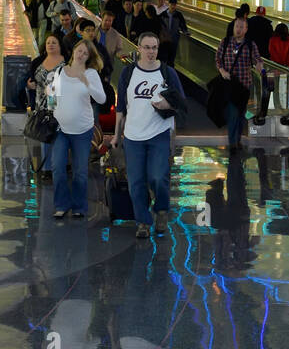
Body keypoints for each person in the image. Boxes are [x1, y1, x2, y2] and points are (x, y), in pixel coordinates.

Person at [112, 31, 186, 238]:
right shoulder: (128, 73)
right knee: (136, 182)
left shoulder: (167, 73)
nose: (151, 52)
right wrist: (117, 135)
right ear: (139, 49)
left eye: (154, 48)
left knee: (157, 177)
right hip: (133, 136)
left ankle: (161, 210)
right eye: (147, 47)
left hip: (159, 134)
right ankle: (143, 222)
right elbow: (121, 108)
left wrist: (167, 104)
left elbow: (181, 102)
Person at [49, 38, 106, 219]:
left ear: (89, 57)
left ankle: (79, 207)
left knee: (80, 171)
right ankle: (61, 204)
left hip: (82, 130)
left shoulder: (91, 74)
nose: (81, 55)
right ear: (73, 51)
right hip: (60, 129)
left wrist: (87, 83)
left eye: (85, 53)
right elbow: (52, 95)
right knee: (57, 167)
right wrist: (52, 111)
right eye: (79, 50)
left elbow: (101, 99)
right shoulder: (60, 71)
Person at [215, 15, 263, 152]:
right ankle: (233, 142)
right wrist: (222, 70)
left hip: (244, 85)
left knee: (241, 114)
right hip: (230, 85)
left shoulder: (250, 44)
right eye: (237, 26)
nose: (238, 29)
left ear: (246, 29)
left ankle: (238, 139)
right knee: (233, 113)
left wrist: (260, 65)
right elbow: (218, 58)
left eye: (241, 27)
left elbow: (257, 59)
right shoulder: (225, 42)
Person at [26, 33, 66, 180]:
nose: (50, 45)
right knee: (45, 136)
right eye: (48, 42)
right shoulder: (38, 62)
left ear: (60, 45)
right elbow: (30, 80)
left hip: (60, 105)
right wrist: (29, 85)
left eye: (54, 42)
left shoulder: (66, 63)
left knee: (59, 137)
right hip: (41, 105)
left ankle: (60, 165)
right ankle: (47, 169)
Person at [76, 18, 113, 83]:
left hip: (98, 82)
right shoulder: (77, 48)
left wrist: (104, 74)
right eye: (88, 30)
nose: (91, 33)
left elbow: (109, 66)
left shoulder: (101, 48)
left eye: (93, 30)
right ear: (81, 33)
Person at [159, 0, 189, 64]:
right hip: (165, 40)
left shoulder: (178, 15)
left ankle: (170, 71)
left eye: (174, 5)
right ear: (168, 4)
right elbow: (158, 24)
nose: (173, 6)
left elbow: (183, 24)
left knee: (172, 58)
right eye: (171, 4)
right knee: (164, 57)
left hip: (174, 40)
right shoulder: (163, 14)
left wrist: (185, 31)